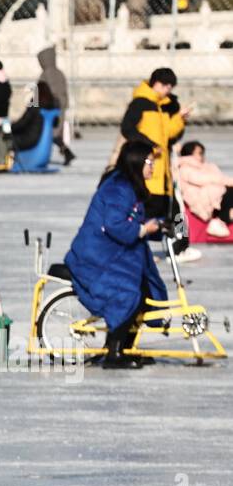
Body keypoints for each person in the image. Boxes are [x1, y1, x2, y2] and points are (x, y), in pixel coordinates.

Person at [64, 141, 167, 371]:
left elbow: (131, 221)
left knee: (146, 288)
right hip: (96, 257)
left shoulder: (129, 186)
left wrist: (156, 227)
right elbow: (115, 225)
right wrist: (143, 230)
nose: (152, 167)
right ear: (137, 162)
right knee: (127, 293)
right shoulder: (118, 188)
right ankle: (115, 353)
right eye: (149, 162)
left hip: (113, 251)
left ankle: (126, 347)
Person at [119, 68, 189, 224]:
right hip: (145, 167)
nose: (168, 91)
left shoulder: (161, 106)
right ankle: (139, 240)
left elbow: (168, 134)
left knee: (170, 213)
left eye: (170, 88)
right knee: (145, 212)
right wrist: (149, 146)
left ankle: (177, 245)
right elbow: (127, 128)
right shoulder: (140, 103)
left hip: (162, 169)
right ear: (156, 83)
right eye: (165, 86)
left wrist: (180, 119)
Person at [176, 142, 233, 239]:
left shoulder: (207, 166)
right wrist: (227, 181)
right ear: (190, 153)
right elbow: (201, 179)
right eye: (199, 153)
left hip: (214, 196)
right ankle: (223, 219)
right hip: (202, 199)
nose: (202, 155)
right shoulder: (184, 168)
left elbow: (217, 178)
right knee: (228, 190)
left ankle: (225, 218)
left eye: (203, 152)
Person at [36, 47, 74, 165]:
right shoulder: (59, 73)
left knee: (49, 133)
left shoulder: (46, 74)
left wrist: (35, 106)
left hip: (50, 108)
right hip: (60, 106)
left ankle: (66, 153)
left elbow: (42, 92)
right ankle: (66, 152)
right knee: (56, 132)